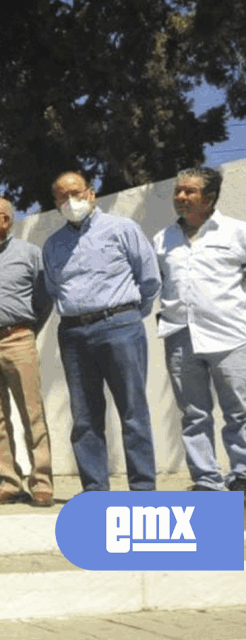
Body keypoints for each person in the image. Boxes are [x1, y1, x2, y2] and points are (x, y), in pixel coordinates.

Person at [44, 171, 160, 492]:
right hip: (73, 334)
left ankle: (143, 490)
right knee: (84, 418)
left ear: (91, 194)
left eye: (76, 193)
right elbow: (54, 289)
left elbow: (149, 278)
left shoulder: (122, 228)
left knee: (133, 411)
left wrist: (127, 316)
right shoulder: (52, 245)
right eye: (63, 196)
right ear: (55, 202)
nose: (71, 201)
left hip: (120, 326)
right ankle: (95, 492)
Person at [153, 166, 246, 494]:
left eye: (189, 191)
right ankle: (207, 481)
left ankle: (242, 476)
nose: (180, 196)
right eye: (178, 191)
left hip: (231, 335)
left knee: (240, 411)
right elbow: (158, 283)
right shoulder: (162, 239)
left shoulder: (237, 232)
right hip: (180, 336)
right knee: (194, 414)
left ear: (209, 197)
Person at [0, 197, 55, 507]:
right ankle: (9, 482)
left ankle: (42, 483)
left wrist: (26, 330)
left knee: (32, 414)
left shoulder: (29, 253)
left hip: (19, 339)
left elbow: (44, 298)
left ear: (5, 220)